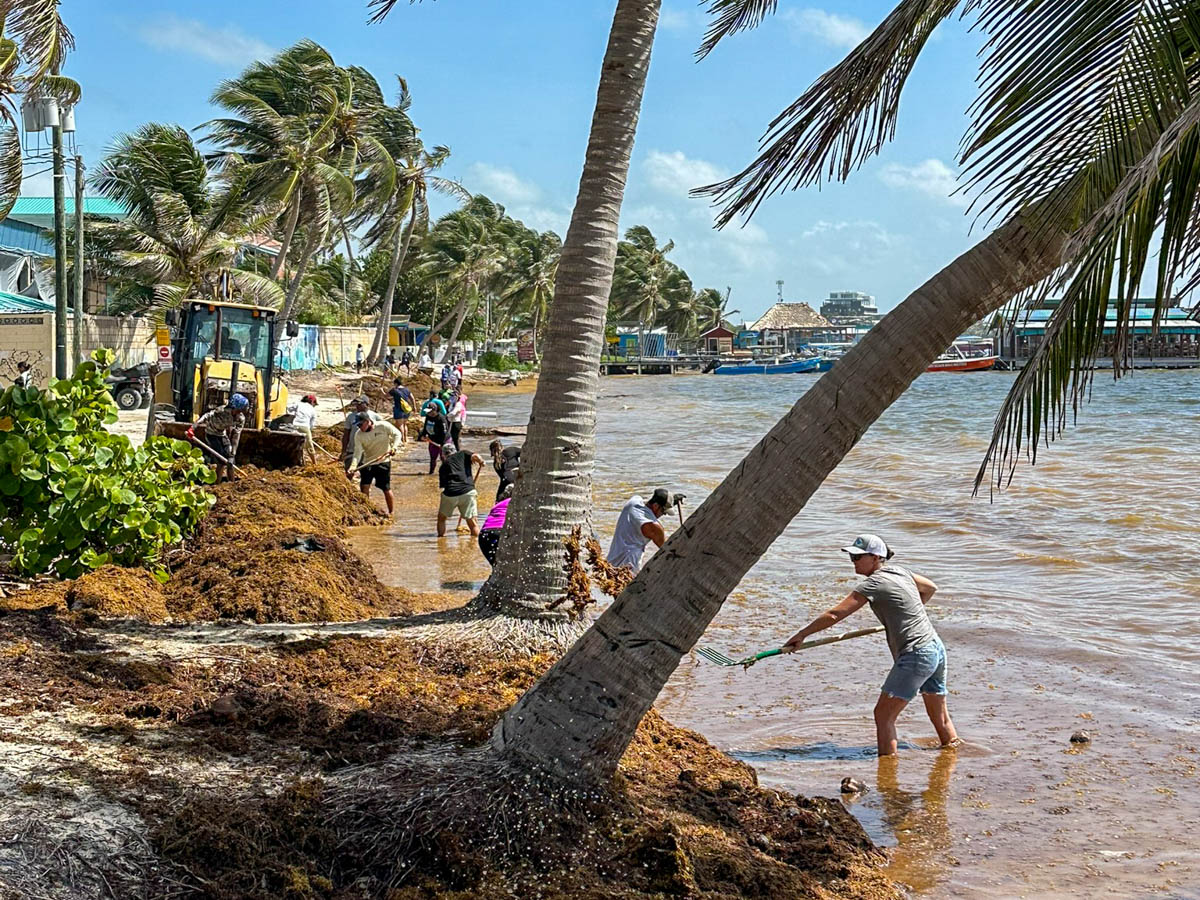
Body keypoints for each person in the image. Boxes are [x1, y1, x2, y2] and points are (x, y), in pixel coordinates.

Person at [782, 534, 958, 758]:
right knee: (940, 716)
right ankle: (952, 761)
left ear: (875, 558)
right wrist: (907, 614)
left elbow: (835, 614)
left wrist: (801, 635)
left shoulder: (874, 583)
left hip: (916, 654)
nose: (853, 562)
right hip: (934, 648)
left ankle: (887, 774)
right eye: (851, 557)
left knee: (883, 716)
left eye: (857, 557)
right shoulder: (900, 571)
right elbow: (930, 588)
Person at [345, 414, 403, 515]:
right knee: (364, 486)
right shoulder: (358, 435)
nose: (359, 427)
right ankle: (366, 511)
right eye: (357, 426)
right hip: (368, 462)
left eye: (360, 424)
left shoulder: (383, 426)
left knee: (386, 488)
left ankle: (391, 512)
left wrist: (394, 447)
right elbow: (357, 453)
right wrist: (353, 467)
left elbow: (397, 434)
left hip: (383, 461)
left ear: (368, 421)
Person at [606, 488, 671, 573]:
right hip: (628, 566)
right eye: (663, 512)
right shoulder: (653, 526)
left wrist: (671, 499)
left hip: (611, 562)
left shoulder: (633, 502)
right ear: (655, 506)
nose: (662, 515)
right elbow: (666, 548)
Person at [189, 392, 248, 483]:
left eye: (241, 411)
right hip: (211, 434)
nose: (239, 413)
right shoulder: (221, 411)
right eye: (238, 410)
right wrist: (193, 427)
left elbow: (236, 435)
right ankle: (217, 483)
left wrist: (233, 454)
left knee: (230, 461)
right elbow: (206, 416)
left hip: (222, 434)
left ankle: (232, 483)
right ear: (233, 408)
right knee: (221, 460)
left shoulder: (240, 419)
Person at [437, 442, 484, 537]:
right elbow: (476, 456)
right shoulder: (463, 453)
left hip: (451, 493)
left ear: (443, 454)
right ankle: (476, 546)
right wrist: (481, 461)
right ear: (455, 450)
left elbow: (443, 485)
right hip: (468, 492)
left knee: (441, 518)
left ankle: (440, 541)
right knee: (472, 522)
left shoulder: (443, 466)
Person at [341, 396, 383, 461]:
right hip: (353, 450)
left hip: (369, 451)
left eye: (360, 404)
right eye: (356, 404)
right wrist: (343, 451)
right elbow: (346, 435)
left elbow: (382, 433)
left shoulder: (375, 417)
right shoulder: (351, 417)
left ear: (367, 404)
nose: (357, 406)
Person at [478, 484, 512, 565]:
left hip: (484, 533)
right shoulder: (515, 502)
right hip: (500, 531)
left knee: (495, 565)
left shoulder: (498, 505)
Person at [421, 403, 450, 474]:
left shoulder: (441, 419)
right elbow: (425, 427)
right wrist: (422, 435)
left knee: (443, 458)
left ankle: (446, 473)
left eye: (430, 411)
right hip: (432, 440)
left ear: (435, 410)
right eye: (427, 412)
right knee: (433, 458)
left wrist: (442, 444)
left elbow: (445, 433)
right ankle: (431, 472)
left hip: (443, 440)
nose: (428, 413)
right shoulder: (428, 417)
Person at [294, 393, 319, 463]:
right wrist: (309, 435)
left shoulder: (297, 404)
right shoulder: (312, 410)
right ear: (312, 402)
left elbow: (288, 409)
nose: (314, 406)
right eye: (315, 404)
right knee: (309, 445)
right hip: (304, 426)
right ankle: (314, 463)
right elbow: (311, 425)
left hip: (292, 425)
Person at [388, 378, 414, 443]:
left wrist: (381, 391)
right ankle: (406, 438)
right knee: (405, 425)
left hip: (398, 409)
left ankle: (402, 440)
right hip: (406, 409)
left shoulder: (394, 390)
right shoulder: (407, 390)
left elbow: (385, 396)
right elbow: (412, 398)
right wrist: (414, 407)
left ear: (396, 383)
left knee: (400, 425)